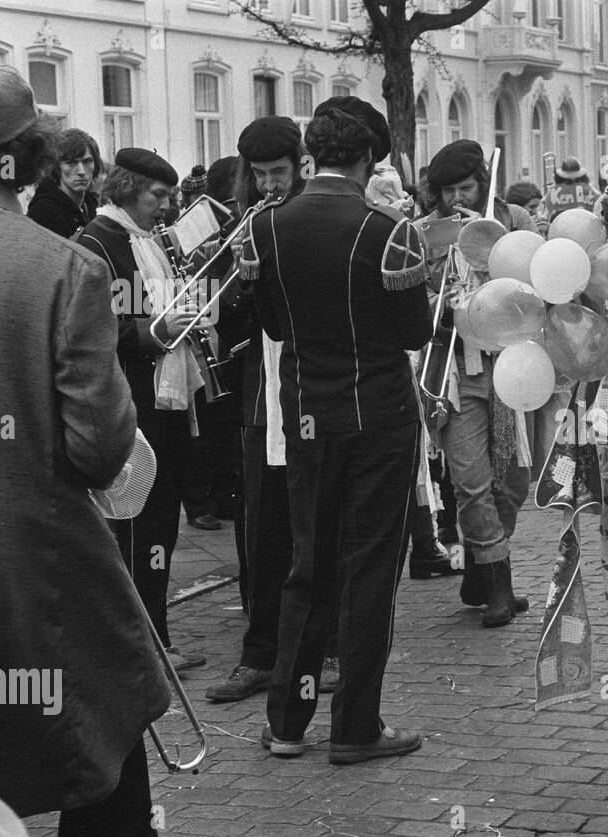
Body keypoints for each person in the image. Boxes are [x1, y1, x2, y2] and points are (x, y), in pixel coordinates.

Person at [0, 62, 170, 837]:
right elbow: (97, 448)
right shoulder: (66, 267)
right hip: (38, 572)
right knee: (106, 748)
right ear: (34, 156)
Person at [247, 96, 432, 763]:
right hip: (377, 416)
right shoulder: (389, 230)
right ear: (368, 159)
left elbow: (271, 325)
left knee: (308, 563)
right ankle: (355, 726)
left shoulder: (265, 226)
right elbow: (415, 332)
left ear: (312, 154)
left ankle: (288, 722)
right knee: (369, 570)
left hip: (304, 414)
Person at [205, 117, 335, 704]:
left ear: (301, 165)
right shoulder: (246, 225)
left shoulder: (312, 223)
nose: (267, 187)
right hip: (260, 401)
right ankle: (258, 654)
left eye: (277, 174)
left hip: (309, 396)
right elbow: (230, 316)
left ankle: (321, 647)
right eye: (256, 177)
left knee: (314, 530)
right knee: (261, 533)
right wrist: (236, 279)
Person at [76, 146, 209, 672]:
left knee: (160, 524)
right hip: (133, 400)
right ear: (128, 188)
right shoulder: (96, 243)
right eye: (158, 195)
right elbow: (94, 328)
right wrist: (157, 333)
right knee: (138, 525)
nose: (166, 206)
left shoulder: (139, 240)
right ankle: (141, 644)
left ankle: (156, 635)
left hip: (162, 397)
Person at [419, 138, 557, 627]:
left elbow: (540, 284)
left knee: (514, 484)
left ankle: (482, 568)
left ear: (483, 181)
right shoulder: (429, 230)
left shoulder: (514, 219)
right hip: (458, 370)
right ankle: (500, 587)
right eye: (448, 191)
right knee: (471, 481)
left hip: (513, 364)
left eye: (467, 187)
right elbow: (420, 301)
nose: (458, 198)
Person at [25, 127, 100, 238]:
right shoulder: (44, 212)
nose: (81, 171)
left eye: (87, 161)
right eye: (71, 163)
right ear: (57, 166)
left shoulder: (93, 205)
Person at [542, 156, 597, 221]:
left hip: (559, 226)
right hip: (586, 226)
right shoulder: (589, 189)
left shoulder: (553, 191)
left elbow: (546, 215)